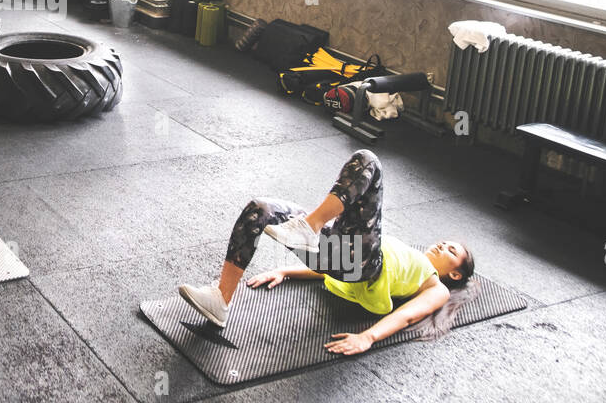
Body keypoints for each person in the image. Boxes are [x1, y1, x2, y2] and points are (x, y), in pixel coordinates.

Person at [177, 150, 477, 354]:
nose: (443, 245)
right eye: (445, 241)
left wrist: (368, 338)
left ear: (455, 272)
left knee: (369, 160)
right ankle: (220, 300)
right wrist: (286, 271)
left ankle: (310, 225)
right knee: (259, 209)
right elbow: (334, 265)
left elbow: (408, 316)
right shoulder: (405, 249)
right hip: (340, 251)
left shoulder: (436, 287)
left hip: (364, 263)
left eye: (452, 250)